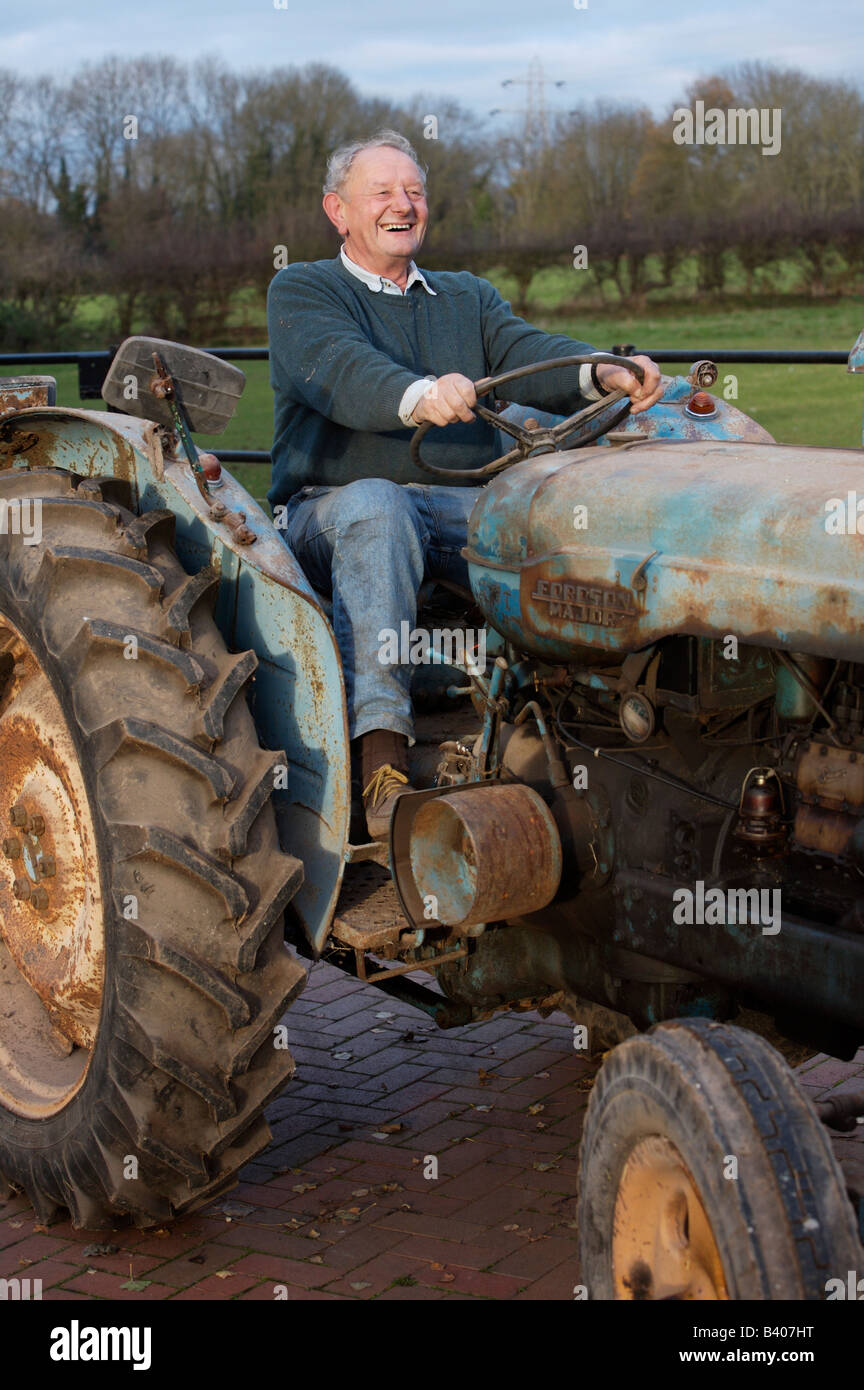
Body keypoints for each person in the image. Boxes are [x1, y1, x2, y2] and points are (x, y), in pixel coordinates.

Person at [267, 129, 663, 839]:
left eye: (414, 192)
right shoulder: (302, 290)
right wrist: (419, 393)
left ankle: (586, 729)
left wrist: (600, 369)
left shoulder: (466, 298)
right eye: (382, 192)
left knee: (545, 513)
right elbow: (341, 369)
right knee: (379, 507)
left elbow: (528, 352)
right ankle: (382, 759)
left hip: (453, 504)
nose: (403, 205)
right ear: (338, 210)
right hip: (329, 510)